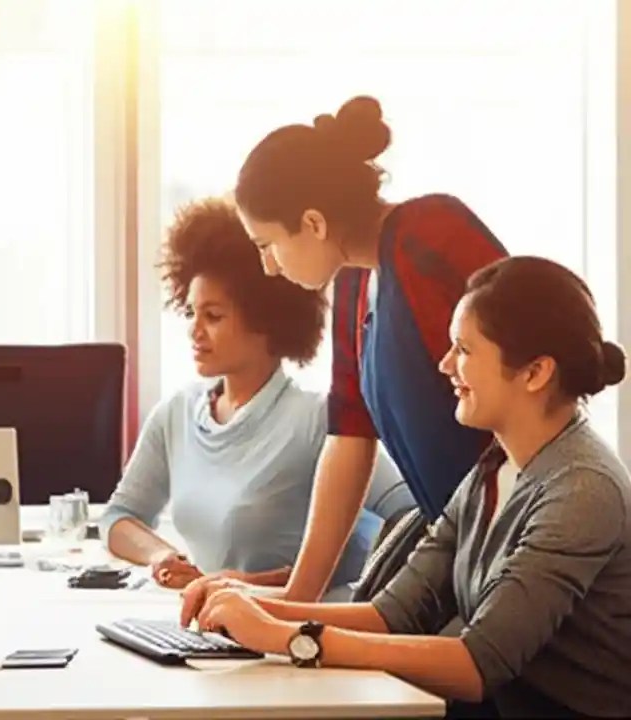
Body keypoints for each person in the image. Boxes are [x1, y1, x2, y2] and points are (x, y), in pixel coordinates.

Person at [181, 256, 631, 718]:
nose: (444, 364)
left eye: (464, 350)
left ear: (535, 373)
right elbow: (393, 614)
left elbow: (478, 663)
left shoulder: (582, 490)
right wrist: (249, 609)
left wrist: (287, 638)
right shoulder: (492, 470)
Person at [187, 96, 509, 604]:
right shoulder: (354, 286)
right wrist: (296, 600)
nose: (268, 266)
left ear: (313, 223)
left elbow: (529, 367)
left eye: (267, 244)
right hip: (461, 548)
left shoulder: (431, 233)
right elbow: (348, 440)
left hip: (516, 541)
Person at [100, 198, 405, 596]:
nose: (194, 332)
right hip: (209, 624)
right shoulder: (175, 414)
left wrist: (274, 585)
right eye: (191, 313)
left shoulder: (317, 421)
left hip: (289, 628)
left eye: (213, 316)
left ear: (266, 321)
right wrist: (161, 556)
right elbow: (119, 518)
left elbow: (411, 516)